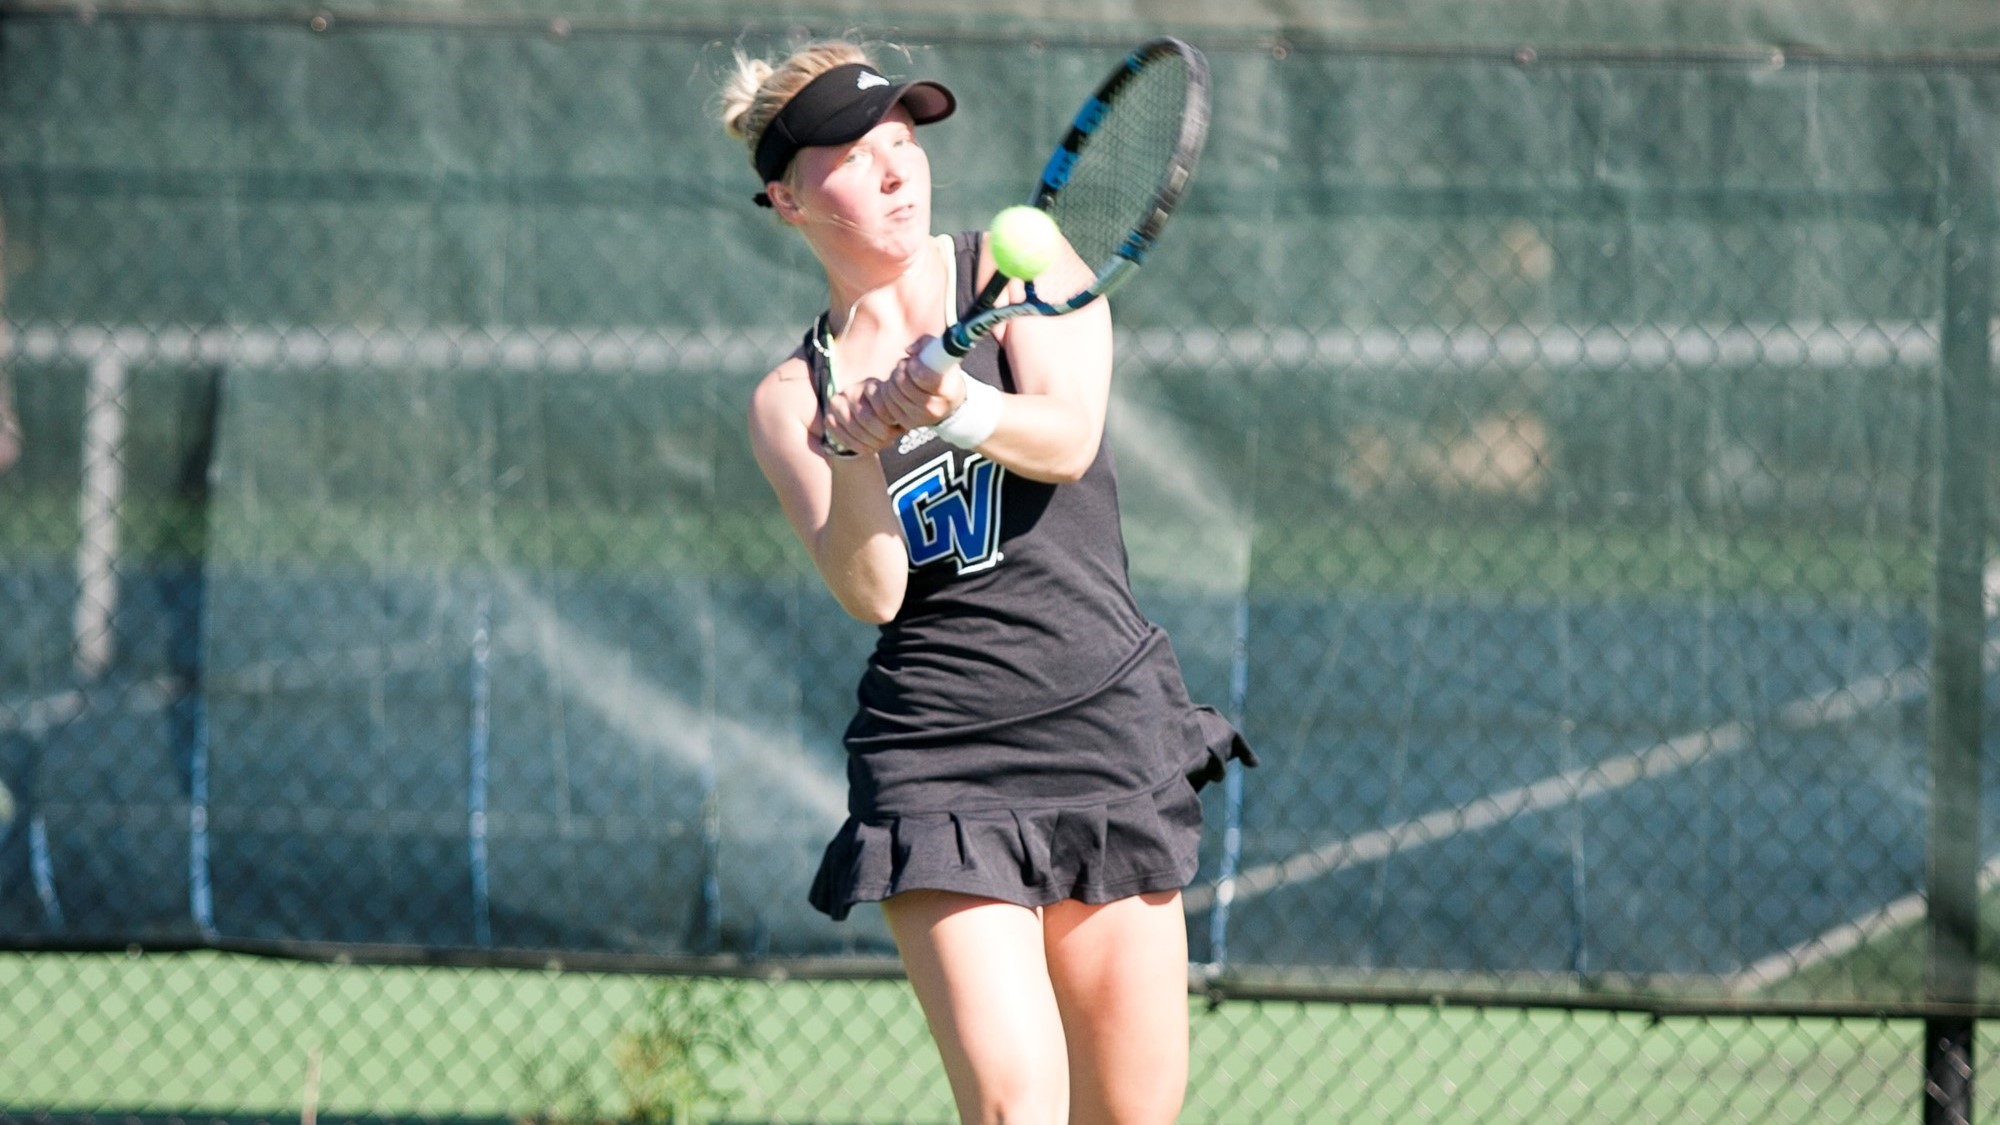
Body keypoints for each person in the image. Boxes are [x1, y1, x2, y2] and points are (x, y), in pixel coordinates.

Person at [718, 40, 1253, 1125]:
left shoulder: (1027, 266)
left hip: (1104, 722)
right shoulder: (791, 398)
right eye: (852, 154)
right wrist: (856, 448)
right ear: (784, 198)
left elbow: (1062, 439)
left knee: (1131, 1116)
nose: (894, 170)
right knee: (1014, 1111)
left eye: (903, 142)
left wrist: (950, 406)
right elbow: (870, 589)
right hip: (939, 757)